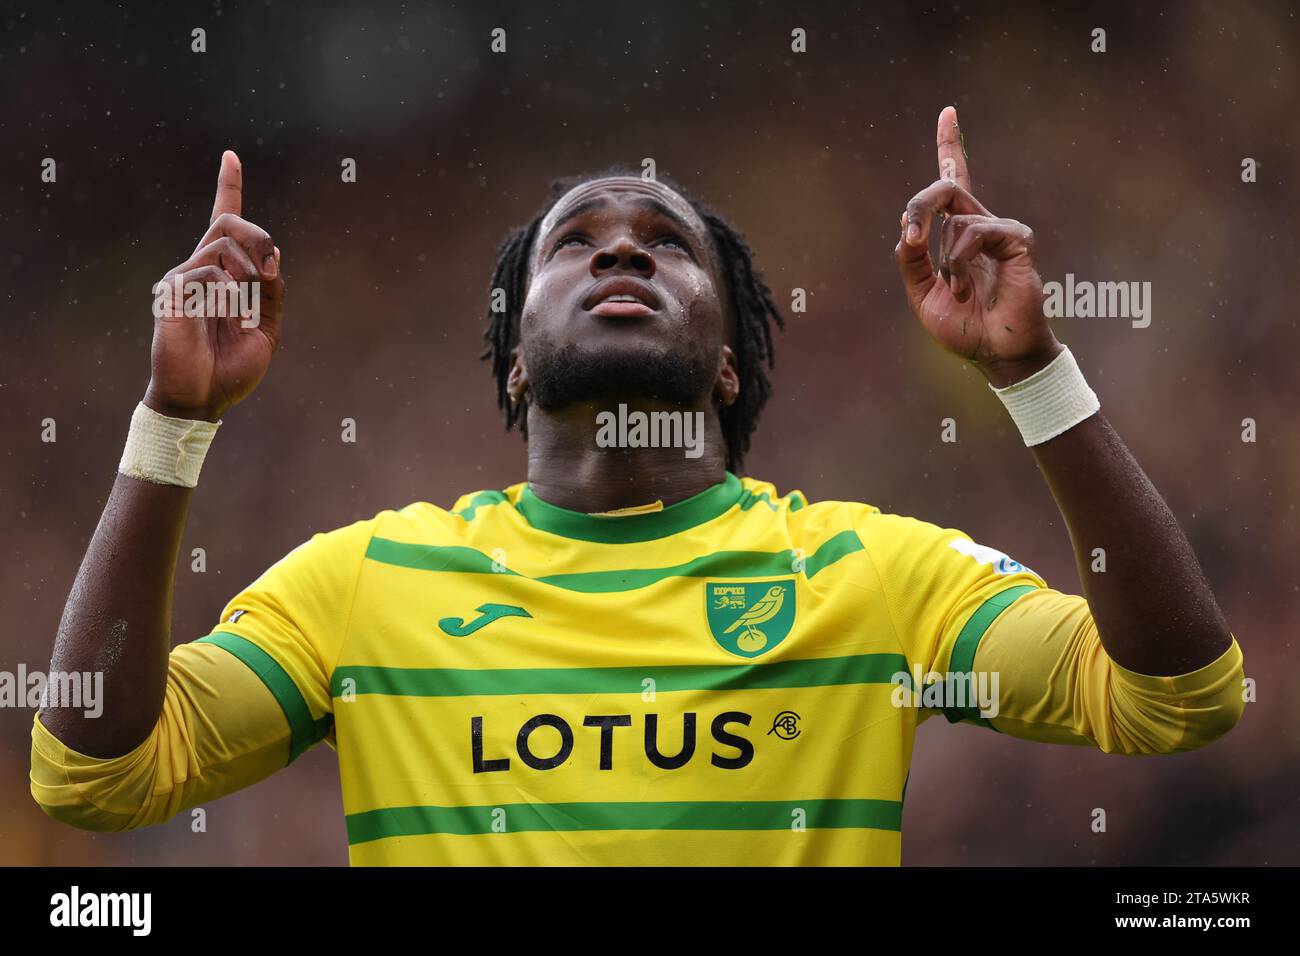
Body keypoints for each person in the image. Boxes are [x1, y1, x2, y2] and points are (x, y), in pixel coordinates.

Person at [30, 107, 1244, 866]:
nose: (619, 246)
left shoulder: (865, 572)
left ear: (726, 356)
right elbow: (94, 772)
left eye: (667, 243)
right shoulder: (366, 580)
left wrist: (1034, 373)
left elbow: (1177, 696)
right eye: (575, 240)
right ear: (516, 355)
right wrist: (173, 424)